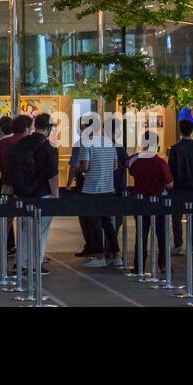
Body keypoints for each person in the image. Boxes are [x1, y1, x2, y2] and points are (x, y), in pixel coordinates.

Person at [13, 112, 60, 273]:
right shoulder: (48, 146)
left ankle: (22, 262)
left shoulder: (20, 143)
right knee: (40, 231)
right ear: (49, 128)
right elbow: (52, 174)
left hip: (23, 194)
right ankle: (35, 264)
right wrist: (56, 195)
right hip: (43, 194)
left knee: (25, 229)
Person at [75, 113, 122, 269]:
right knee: (107, 222)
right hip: (108, 187)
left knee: (93, 223)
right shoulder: (109, 142)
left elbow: (85, 166)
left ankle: (99, 255)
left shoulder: (86, 143)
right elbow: (115, 166)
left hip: (92, 188)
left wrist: (80, 170)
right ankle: (115, 255)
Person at [126, 133, 173, 271]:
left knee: (141, 234)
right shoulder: (160, 162)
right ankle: (164, 264)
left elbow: (128, 167)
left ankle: (139, 265)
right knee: (162, 234)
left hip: (140, 201)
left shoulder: (135, 160)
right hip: (158, 202)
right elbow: (169, 184)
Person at [167, 119, 193, 255]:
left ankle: (178, 244)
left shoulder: (175, 149)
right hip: (192, 185)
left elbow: (171, 168)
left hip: (178, 186)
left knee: (176, 217)